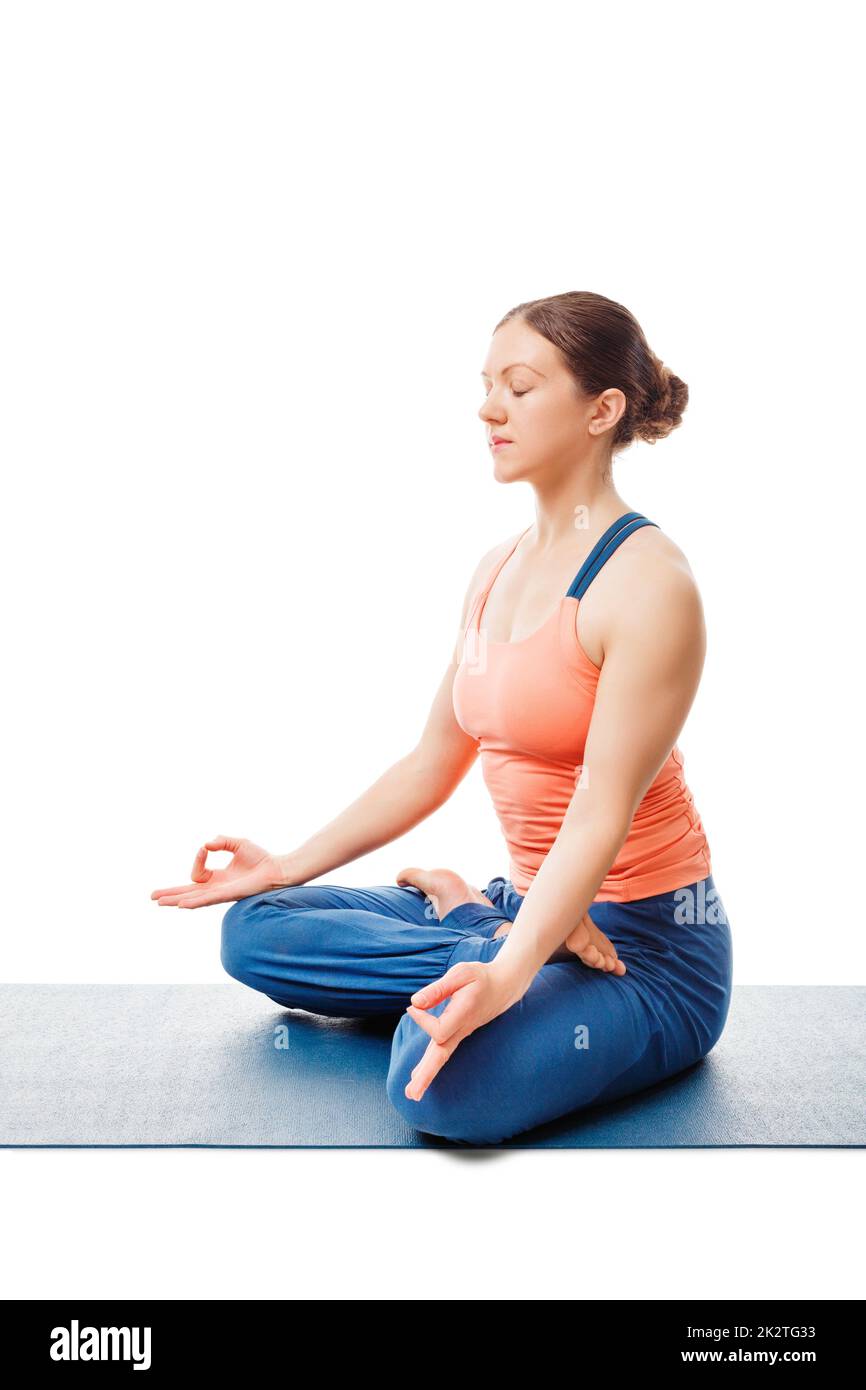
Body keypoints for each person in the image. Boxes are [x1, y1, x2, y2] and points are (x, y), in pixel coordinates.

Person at [151, 290, 733, 1146]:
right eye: (487, 383)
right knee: (255, 930)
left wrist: (504, 971)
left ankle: (503, 953)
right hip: (531, 903)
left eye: (521, 387)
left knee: (440, 1093)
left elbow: (599, 814)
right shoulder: (496, 570)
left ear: (602, 410)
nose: (488, 407)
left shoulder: (648, 585)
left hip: (647, 950)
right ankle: (496, 936)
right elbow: (433, 760)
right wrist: (284, 866)